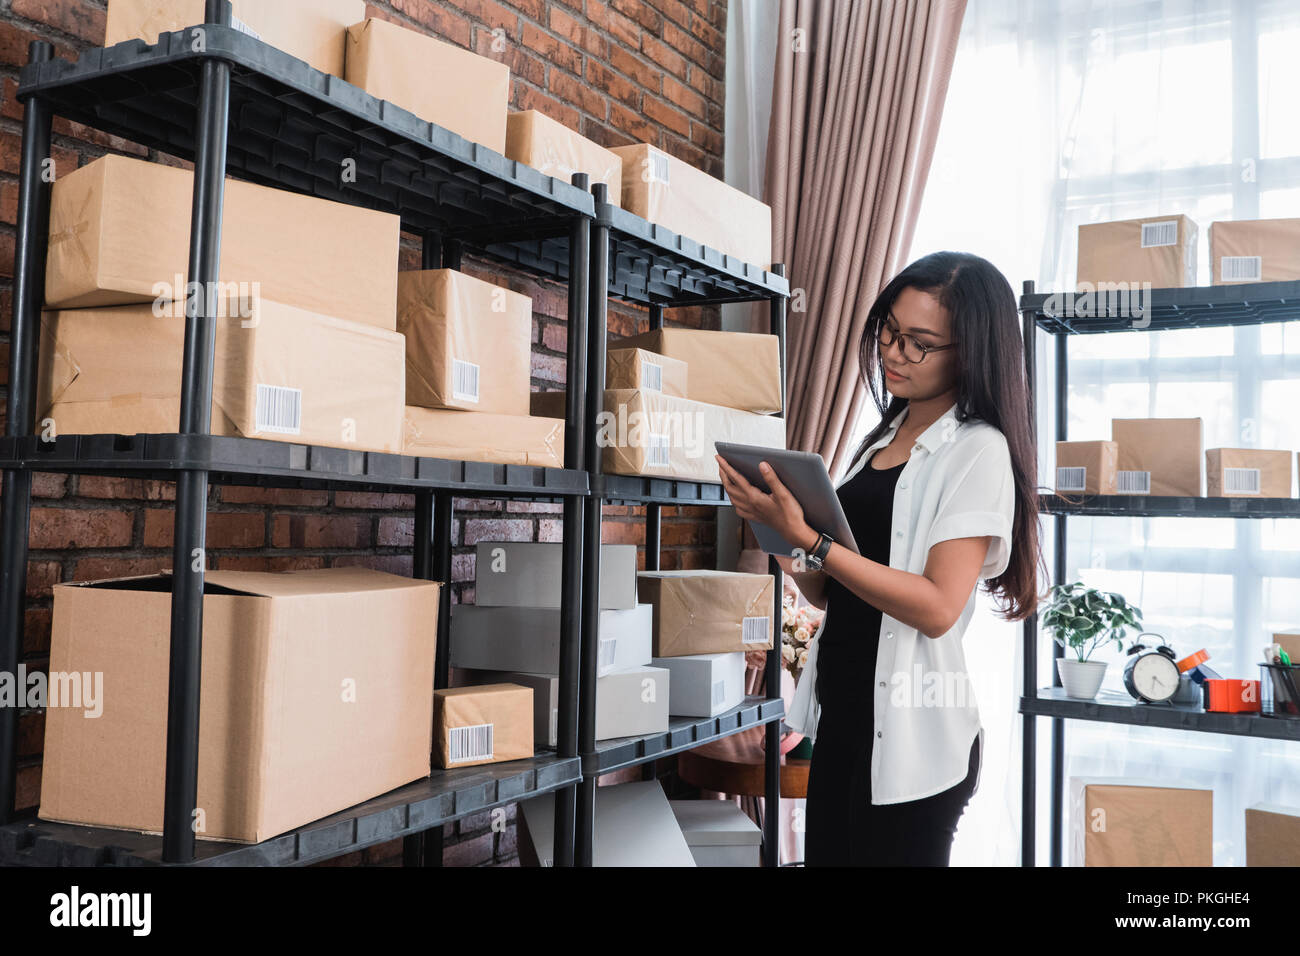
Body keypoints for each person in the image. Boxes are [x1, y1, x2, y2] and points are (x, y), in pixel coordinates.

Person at [716, 251, 1044, 866]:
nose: (894, 353)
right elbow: (828, 592)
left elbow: (938, 606)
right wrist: (776, 530)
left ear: (971, 353)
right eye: (890, 332)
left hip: (913, 741)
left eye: (919, 343)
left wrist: (814, 541)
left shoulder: (978, 450)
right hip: (844, 721)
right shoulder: (883, 440)